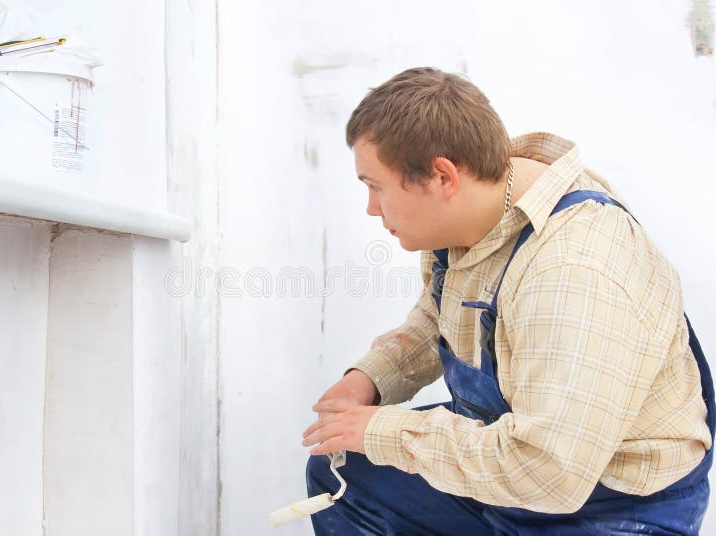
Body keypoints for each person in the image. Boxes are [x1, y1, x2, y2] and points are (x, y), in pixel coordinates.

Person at [302, 67, 714, 535]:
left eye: (375, 186)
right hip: (522, 467)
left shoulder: (570, 271)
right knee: (345, 471)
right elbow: (443, 312)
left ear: (442, 176)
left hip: (609, 504)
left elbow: (550, 474)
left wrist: (384, 432)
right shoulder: (474, 213)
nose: (372, 208)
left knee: (376, 443)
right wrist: (372, 379)